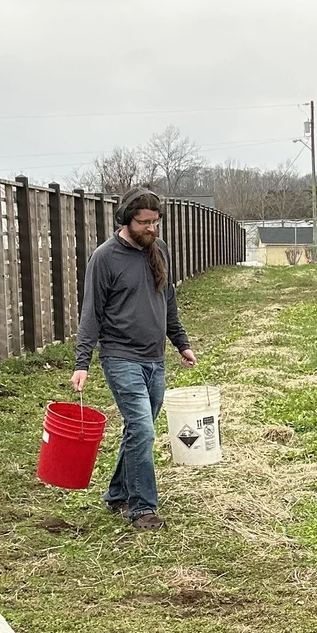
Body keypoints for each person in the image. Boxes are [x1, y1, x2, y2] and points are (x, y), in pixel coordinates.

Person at [72, 190, 198, 530]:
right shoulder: (105, 258)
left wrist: (181, 343)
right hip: (120, 356)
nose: (152, 229)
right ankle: (142, 507)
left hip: (154, 358)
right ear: (127, 219)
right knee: (142, 427)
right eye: (145, 222)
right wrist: (82, 362)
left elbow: (167, 301)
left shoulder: (160, 251)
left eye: (156, 222)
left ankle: (117, 492)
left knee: (139, 430)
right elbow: (91, 313)